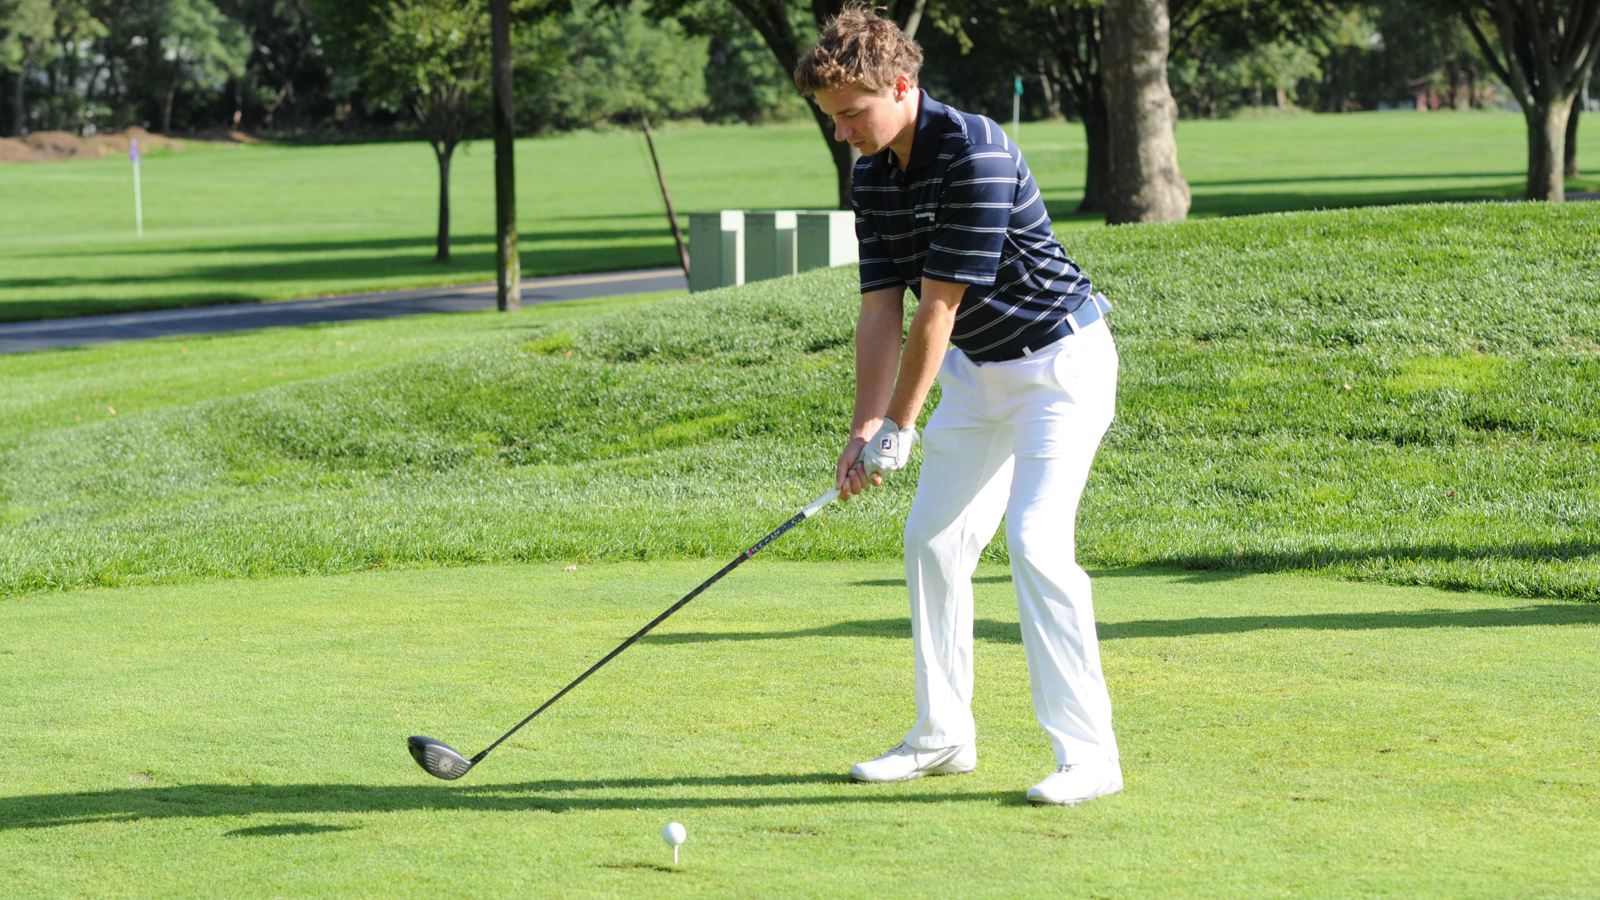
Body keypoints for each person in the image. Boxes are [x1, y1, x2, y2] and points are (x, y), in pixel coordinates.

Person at [794, 5, 1124, 806]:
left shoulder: (976, 151)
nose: (842, 133)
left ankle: (1089, 758)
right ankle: (942, 735)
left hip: (1059, 367)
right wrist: (865, 424)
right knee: (933, 542)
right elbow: (882, 310)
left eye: (851, 114)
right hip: (979, 376)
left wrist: (900, 428)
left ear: (902, 86)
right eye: (832, 119)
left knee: (1036, 543)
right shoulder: (872, 175)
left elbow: (936, 310)